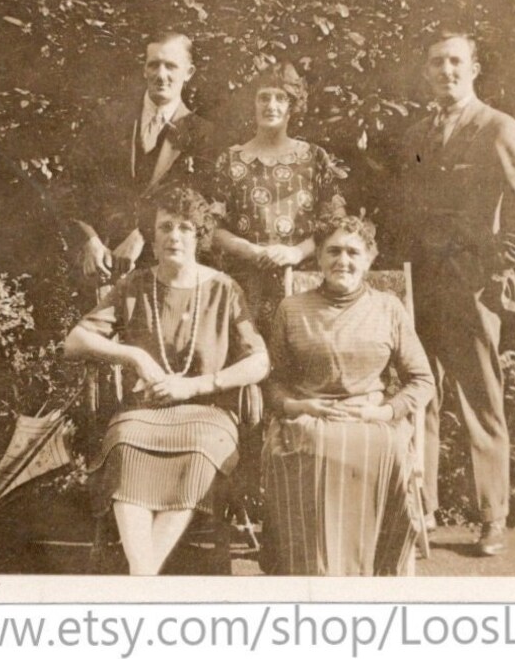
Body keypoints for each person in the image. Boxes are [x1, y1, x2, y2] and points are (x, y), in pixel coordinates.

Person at [63, 186, 269, 575]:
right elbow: (74, 341)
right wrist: (134, 356)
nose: (175, 236)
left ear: (200, 236)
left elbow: (259, 362)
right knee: (123, 444)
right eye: (165, 227)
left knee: (200, 451)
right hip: (143, 411)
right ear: (153, 238)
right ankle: (145, 577)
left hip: (208, 414)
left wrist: (195, 386)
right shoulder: (134, 286)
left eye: (186, 228)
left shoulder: (224, 288)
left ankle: (140, 576)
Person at [395, 32, 515, 556]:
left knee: (480, 400)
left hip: (472, 287)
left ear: (474, 68)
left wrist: (488, 265)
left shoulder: (498, 128)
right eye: (437, 62)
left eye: (456, 61)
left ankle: (492, 517)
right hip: (422, 284)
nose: (446, 71)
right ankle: (423, 513)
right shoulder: (417, 133)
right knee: (421, 393)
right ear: (426, 72)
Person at [261, 212, 435, 576]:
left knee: (384, 448)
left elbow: (422, 380)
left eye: (353, 252)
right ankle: (312, 571)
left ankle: (374, 569)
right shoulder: (292, 309)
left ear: (369, 259)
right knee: (311, 443)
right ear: (319, 258)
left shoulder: (388, 307)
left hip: (371, 420)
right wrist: (299, 405)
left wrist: (384, 412)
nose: (343, 261)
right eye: (334, 251)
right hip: (308, 418)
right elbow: (272, 382)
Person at [65, 31, 219, 280]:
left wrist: (143, 234)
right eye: (154, 65)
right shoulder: (106, 120)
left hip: (165, 270)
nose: (161, 75)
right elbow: (70, 187)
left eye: (171, 66)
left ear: (188, 73)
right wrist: (89, 240)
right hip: (99, 267)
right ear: (144, 69)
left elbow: (199, 207)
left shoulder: (203, 136)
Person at [210, 62, 347, 329]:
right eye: (263, 97)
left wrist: (296, 252)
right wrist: (251, 251)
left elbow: (336, 223)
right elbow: (212, 229)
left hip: (304, 284)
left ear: (293, 105)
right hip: (244, 287)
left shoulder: (314, 157)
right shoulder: (231, 159)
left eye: (280, 98)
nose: (271, 105)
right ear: (253, 103)